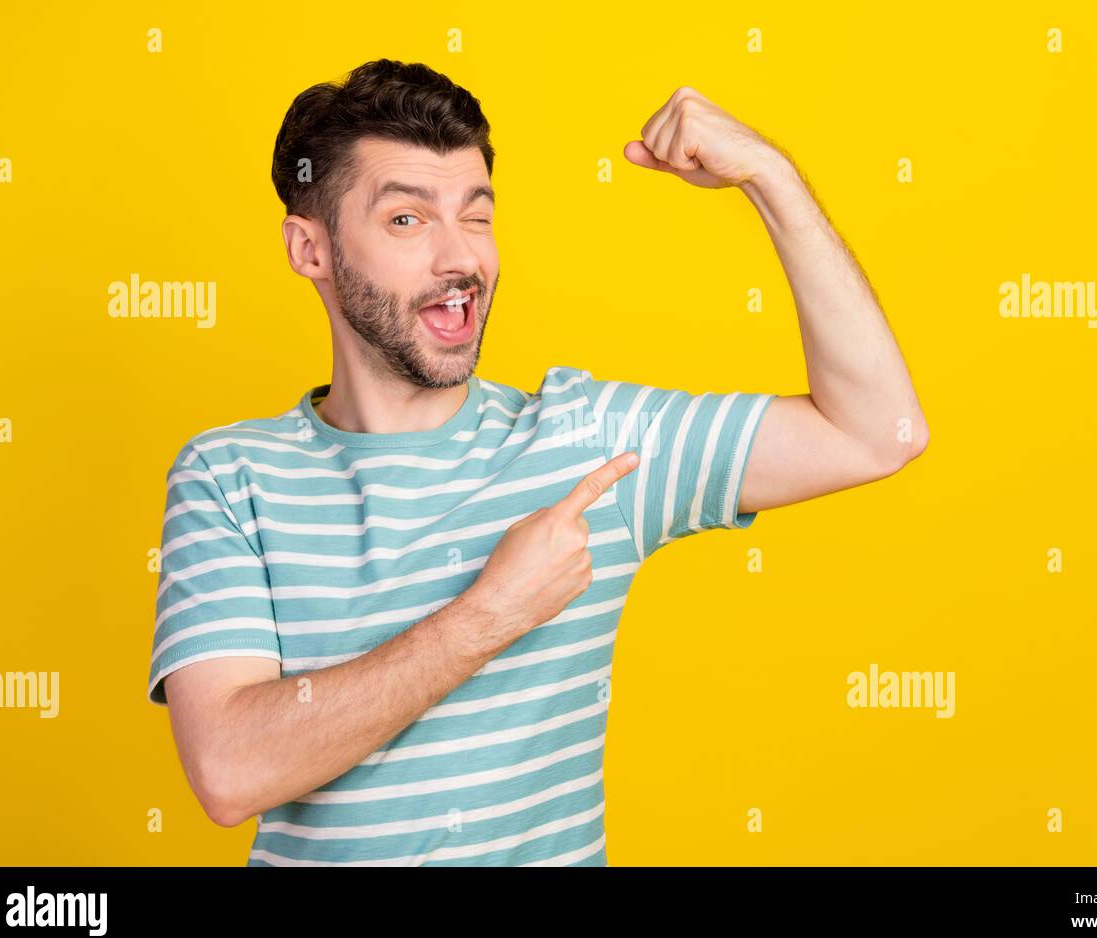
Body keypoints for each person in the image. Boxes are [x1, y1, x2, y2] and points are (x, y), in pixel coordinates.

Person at [147, 58, 928, 866]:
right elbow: (229, 772)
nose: (461, 261)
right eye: (408, 221)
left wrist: (772, 178)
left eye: (476, 217)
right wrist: (492, 612)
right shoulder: (227, 476)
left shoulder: (584, 439)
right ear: (309, 248)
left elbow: (879, 431)